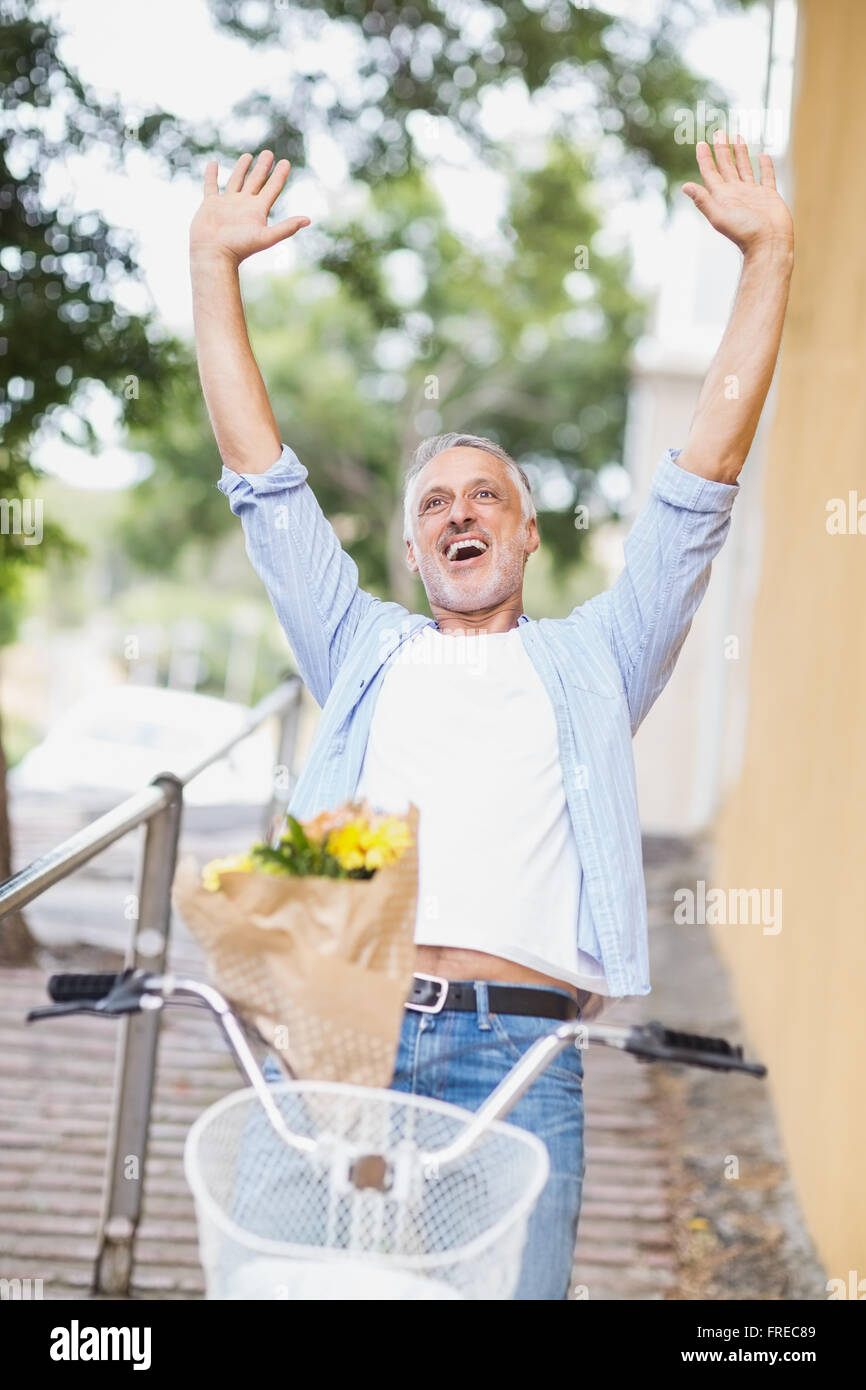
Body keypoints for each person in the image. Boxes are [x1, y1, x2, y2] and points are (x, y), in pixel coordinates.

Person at [189, 131, 793, 1300]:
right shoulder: (362, 647)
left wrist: (764, 254)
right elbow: (259, 474)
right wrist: (214, 266)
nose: (458, 513)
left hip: (514, 1059)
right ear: (414, 551)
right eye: (434, 505)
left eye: (486, 497)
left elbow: (697, 484)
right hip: (334, 1037)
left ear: (524, 533)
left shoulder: (593, 661)